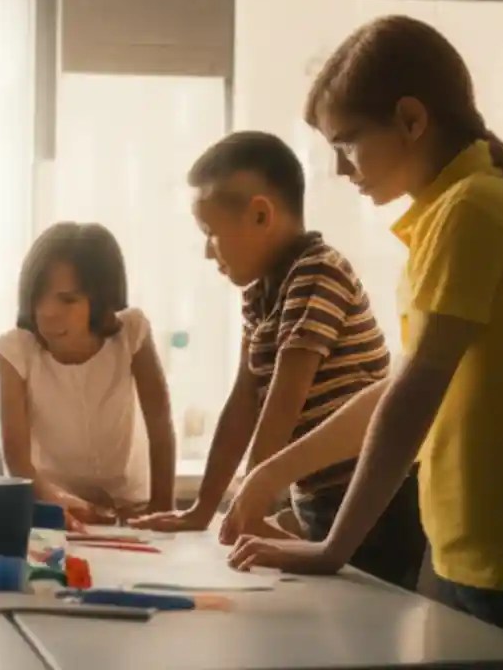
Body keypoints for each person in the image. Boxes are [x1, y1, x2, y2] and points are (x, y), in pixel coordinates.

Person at [225, 16, 503, 669]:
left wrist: (333, 549)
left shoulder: (471, 209)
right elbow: (399, 386)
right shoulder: (453, 211)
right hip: (491, 544)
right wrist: (271, 473)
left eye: (347, 143)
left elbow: (411, 401)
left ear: (412, 120)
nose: (339, 167)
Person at [131, 132, 425, 589]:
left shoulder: (318, 271)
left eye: (211, 233)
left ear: (261, 215)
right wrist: (204, 510)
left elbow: (287, 395)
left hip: (373, 502)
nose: (209, 251)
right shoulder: (260, 297)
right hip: (317, 500)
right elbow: (243, 404)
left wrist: (253, 493)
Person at [0, 222, 176, 524]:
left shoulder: (131, 332)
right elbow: (17, 462)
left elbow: (160, 424)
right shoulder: (15, 350)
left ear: (102, 300)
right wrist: (62, 502)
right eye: (40, 297)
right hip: (52, 509)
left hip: (130, 508)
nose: (48, 312)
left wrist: (162, 507)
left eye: (68, 299)